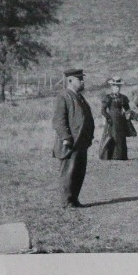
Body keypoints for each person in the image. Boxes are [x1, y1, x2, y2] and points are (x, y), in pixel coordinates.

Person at [52, 66, 95, 209]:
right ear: (70, 80)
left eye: (82, 79)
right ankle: (67, 201)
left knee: (79, 172)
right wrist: (66, 137)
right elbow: (59, 120)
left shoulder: (79, 97)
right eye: (80, 79)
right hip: (70, 142)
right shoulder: (63, 96)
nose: (83, 82)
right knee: (68, 172)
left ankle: (74, 199)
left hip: (81, 141)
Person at [99, 77, 133, 160]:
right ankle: (110, 156)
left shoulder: (123, 97)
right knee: (112, 137)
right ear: (112, 87)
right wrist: (108, 118)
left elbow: (127, 108)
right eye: (115, 86)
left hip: (121, 120)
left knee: (121, 138)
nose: (116, 88)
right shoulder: (108, 97)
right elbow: (103, 110)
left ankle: (121, 156)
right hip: (112, 120)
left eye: (118, 87)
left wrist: (128, 114)